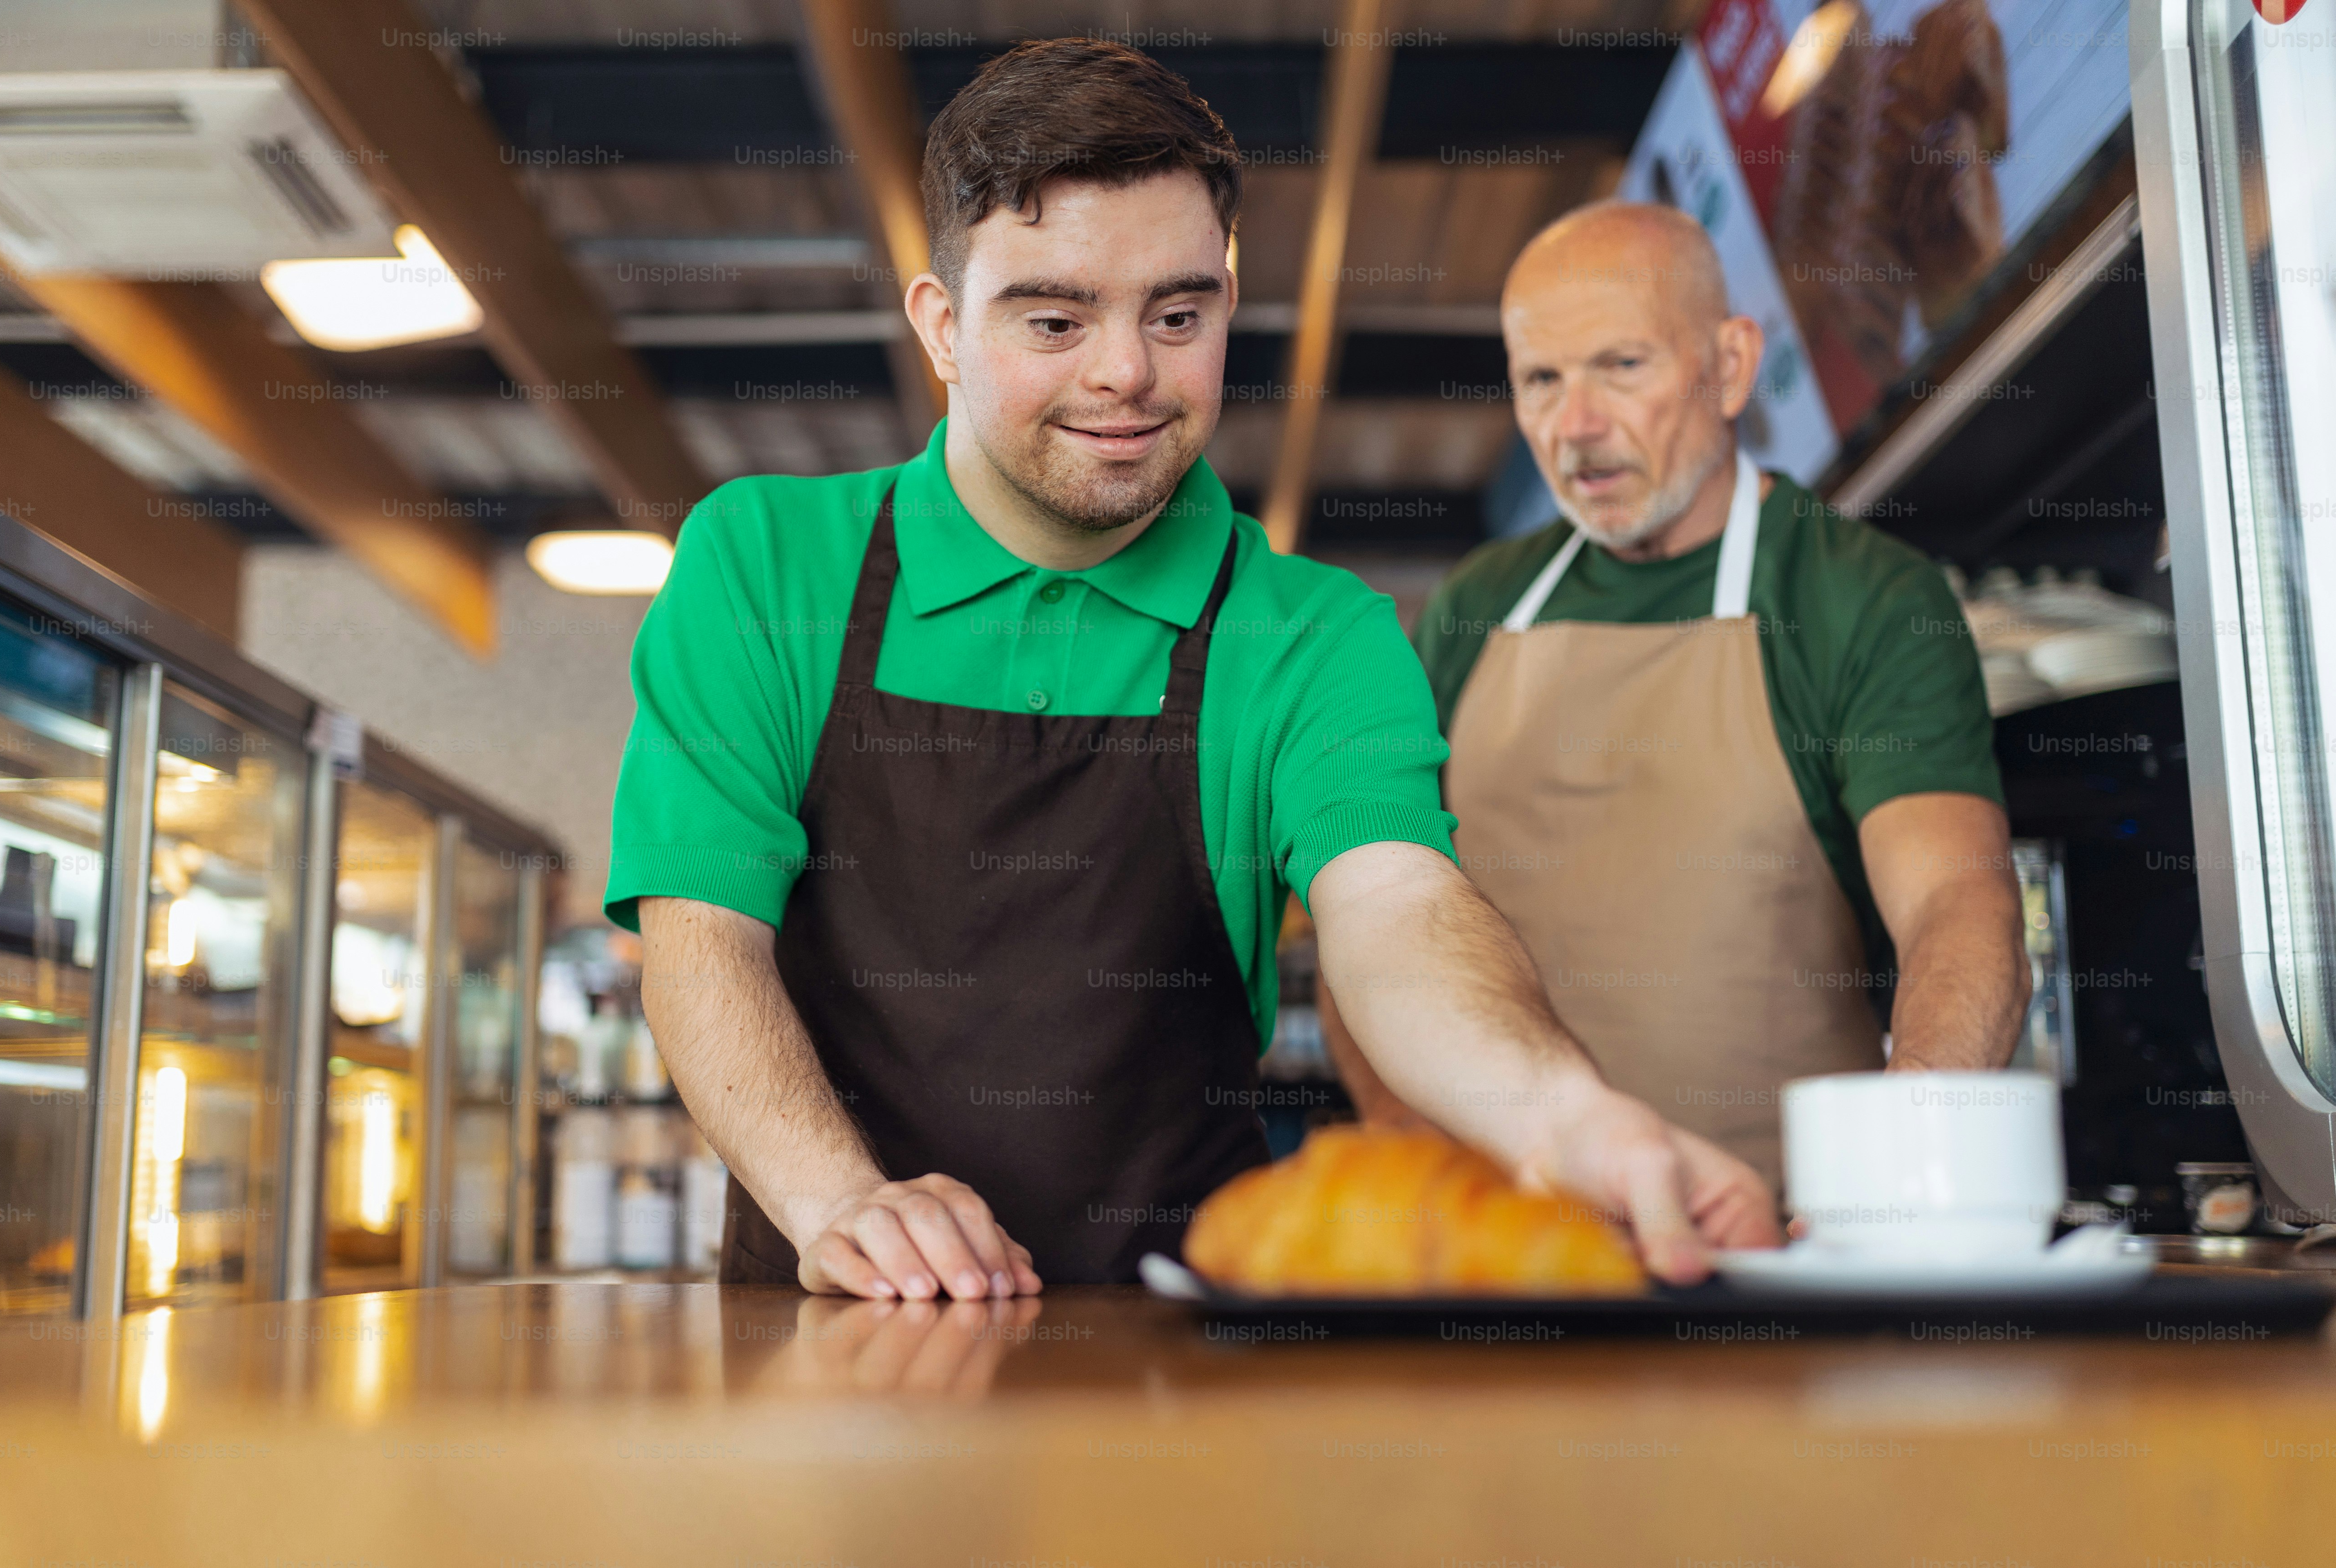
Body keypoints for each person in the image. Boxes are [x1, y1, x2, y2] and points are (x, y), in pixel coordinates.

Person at [605, 42, 1778, 1301]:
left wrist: (1564, 1119)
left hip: (1181, 1363)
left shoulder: (1308, 629)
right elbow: (703, 938)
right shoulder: (763, 565)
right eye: (1055, 319)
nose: (1127, 373)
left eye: (1179, 315)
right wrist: (842, 1201)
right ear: (942, 328)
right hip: (828, 1343)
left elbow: (1399, 914)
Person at [1320, 202, 2030, 1192]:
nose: (1577, 427)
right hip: (1519, 1250)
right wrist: (1415, 1156)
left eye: (1622, 366)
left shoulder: (1859, 595)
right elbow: (1363, 911)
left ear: (1732, 367)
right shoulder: (1477, 605)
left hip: (1778, 1248)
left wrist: (1901, 1163)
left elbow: (1958, 903)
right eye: (1542, 380)